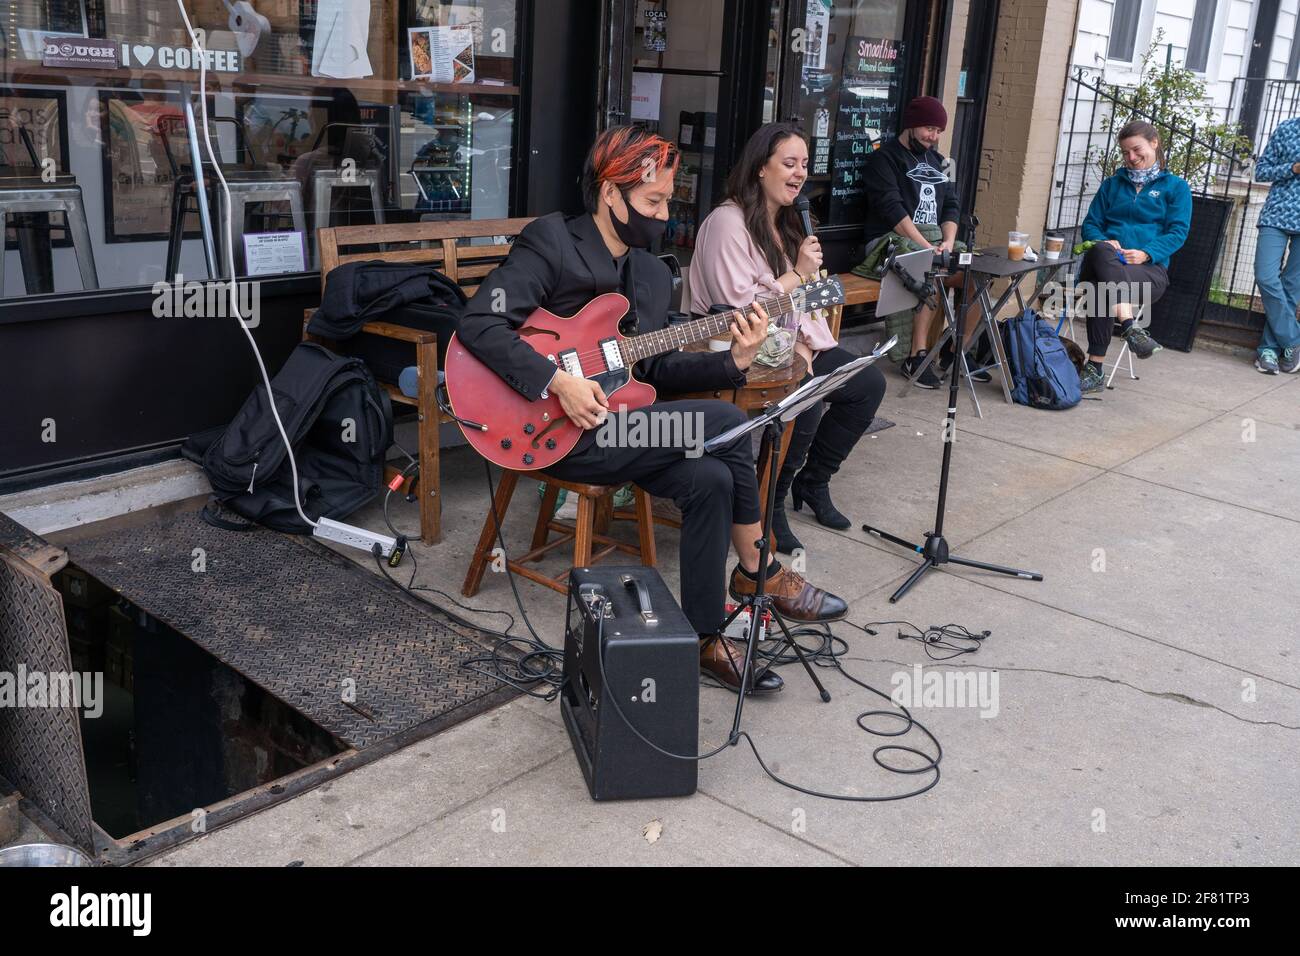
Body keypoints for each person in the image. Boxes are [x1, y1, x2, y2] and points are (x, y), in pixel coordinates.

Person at [458, 126, 849, 696]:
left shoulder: (647, 271)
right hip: (559, 433)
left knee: (712, 477)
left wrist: (734, 363)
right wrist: (558, 380)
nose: (664, 216)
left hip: (629, 428)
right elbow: (478, 325)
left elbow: (655, 370)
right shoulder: (552, 243)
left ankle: (703, 638)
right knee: (730, 424)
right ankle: (758, 573)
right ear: (609, 193)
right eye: (652, 202)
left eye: (668, 202)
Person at [688, 122, 886, 554]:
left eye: (805, 165)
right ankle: (770, 504)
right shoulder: (728, 222)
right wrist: (796, 274)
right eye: (789, 163)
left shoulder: (784, 221)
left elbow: (806, 301)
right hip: (736, 351)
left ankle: (813, 483)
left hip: (789, 346)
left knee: (868, 384)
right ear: (761, 167)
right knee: (807, 399)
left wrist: (810, 326)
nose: (800, 173)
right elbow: (740, 312)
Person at [855, 95, 986, 388]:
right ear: (911, 125)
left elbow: (952, 206)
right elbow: (893, 211)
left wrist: (948, 242)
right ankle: (917, 355)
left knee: (977, 274)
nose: (933, 137)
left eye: (938, 131)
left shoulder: (943, 162)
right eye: (929, 128)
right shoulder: (883, 158)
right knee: (933, 267)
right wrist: (929, 249)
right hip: (887, 241)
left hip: (935, 240)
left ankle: (955, 352)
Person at [1076, 120, 1191, 391]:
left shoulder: (1175, 187)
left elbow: (1178, 232)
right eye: (1125, 153)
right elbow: (1090, 225)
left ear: (1155, 143)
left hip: (1148, 273)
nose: (1131, 158)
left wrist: (1146, 253)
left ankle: (1095, 370)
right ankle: (1130, 327)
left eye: (1137, 149)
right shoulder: (1112, 186)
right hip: (1108, 262)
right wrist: (1105, 241)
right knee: (1102, 250)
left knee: (1100, 287)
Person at [1250, 117, 1300, 374]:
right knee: (1266, 276)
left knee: (1292, 288)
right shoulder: (1288, 128)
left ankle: (1268, 350)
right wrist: (1293, 168)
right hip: (1276, 216)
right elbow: (1262, 171)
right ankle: (1293, 339)